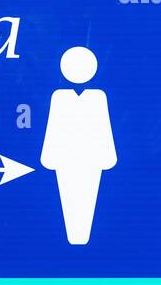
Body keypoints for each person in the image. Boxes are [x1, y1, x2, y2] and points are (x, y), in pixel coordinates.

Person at [41, 46, 116, 245]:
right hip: (64, 160)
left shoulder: (97, 97)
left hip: (93, 160)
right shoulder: (60, 97)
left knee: (87, 199)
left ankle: (81, 239)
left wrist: (109, 157)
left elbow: (103, 126)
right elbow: (53, 127)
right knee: (69, 200)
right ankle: (75, 239)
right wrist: (48, 157)